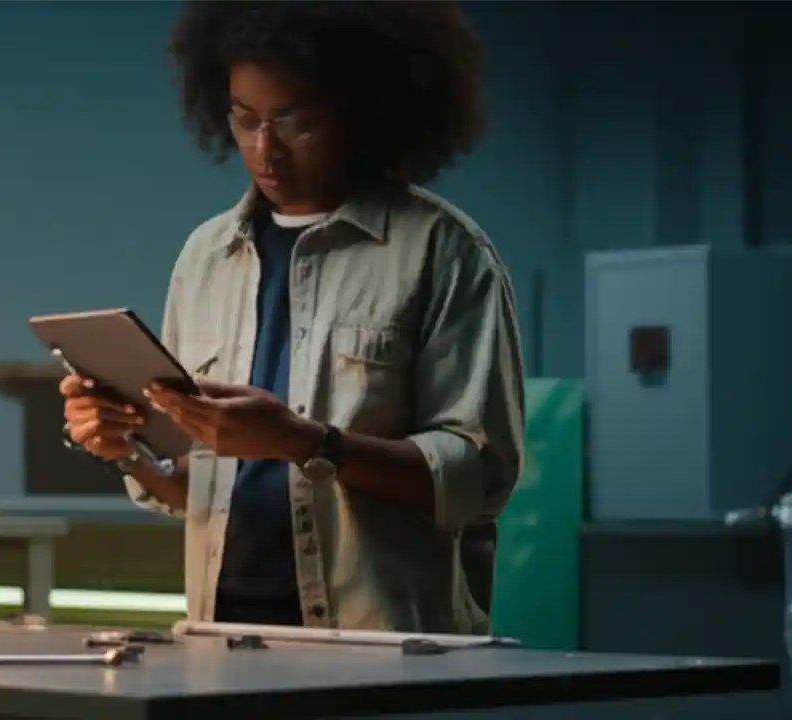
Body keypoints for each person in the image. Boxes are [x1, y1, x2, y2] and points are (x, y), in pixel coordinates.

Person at [60, 0, 524, 634]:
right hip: (220, 637)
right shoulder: (205, 257)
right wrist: (127, 447)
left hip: (379, 649)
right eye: (244, 120)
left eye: (295, 123)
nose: (264, 149)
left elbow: (478, 477)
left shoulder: (443, 252)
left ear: (363, 114)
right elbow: (195, 488)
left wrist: (303, 443)